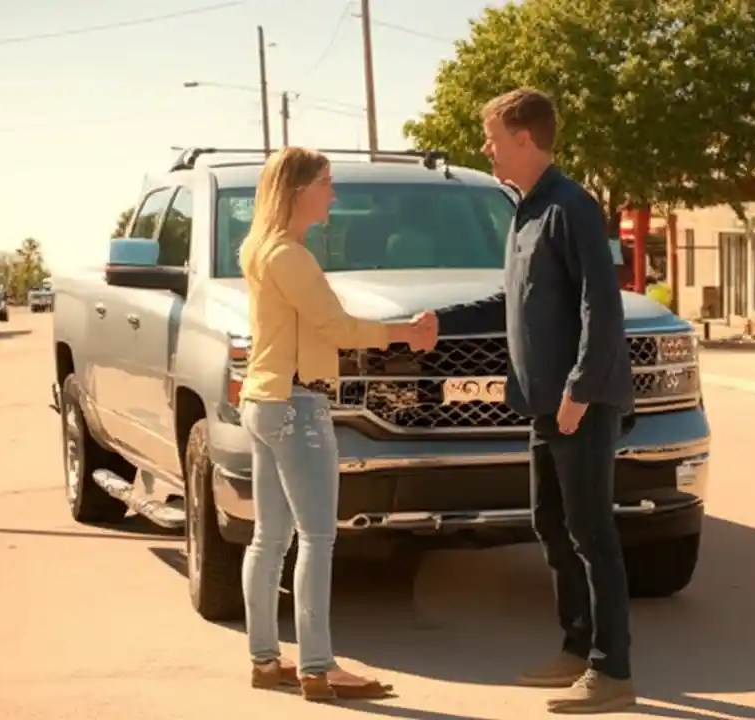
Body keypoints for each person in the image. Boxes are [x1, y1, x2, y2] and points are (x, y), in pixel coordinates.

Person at [417, 88, 637, 713]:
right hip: (543, 402)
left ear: (523, 138)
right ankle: (576, 646)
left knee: (593, 532)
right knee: (551, 524)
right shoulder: (525, 211)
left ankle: (611, 668)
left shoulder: (572, 207)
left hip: (578, 402)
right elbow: (509, 303)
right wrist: (440, 321)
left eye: (491, 136)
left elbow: (603, 304)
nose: (485, 147)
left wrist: (580, 389)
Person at [236, 147, 436, 703]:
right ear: (298, 191)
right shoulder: (290, 257)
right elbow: (337, 327)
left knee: (269, 538)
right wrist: (407, 332)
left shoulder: (260, 250)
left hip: (263, 400)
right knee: (317, 539)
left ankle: (264, 660)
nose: (334, 193)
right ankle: (319, 668)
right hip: (298, 404)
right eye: (326, 183)